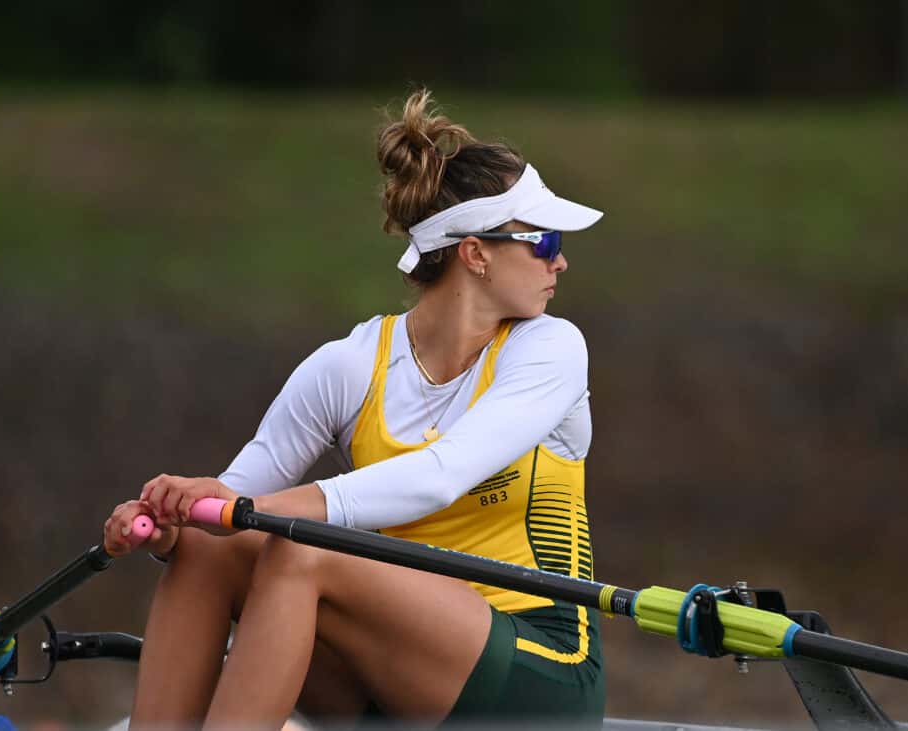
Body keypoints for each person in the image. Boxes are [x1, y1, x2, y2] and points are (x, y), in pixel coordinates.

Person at [103, 88, 606, 729]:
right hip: (390, 672)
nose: (559, 259)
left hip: (540, 669)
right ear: (475, 252)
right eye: (545, 239)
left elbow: (439, 475)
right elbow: (229, 501)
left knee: (298, 546)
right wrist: (172, 520)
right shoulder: (348, 365)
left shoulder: (551, 349)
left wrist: (241, 513)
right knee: (209, 551)